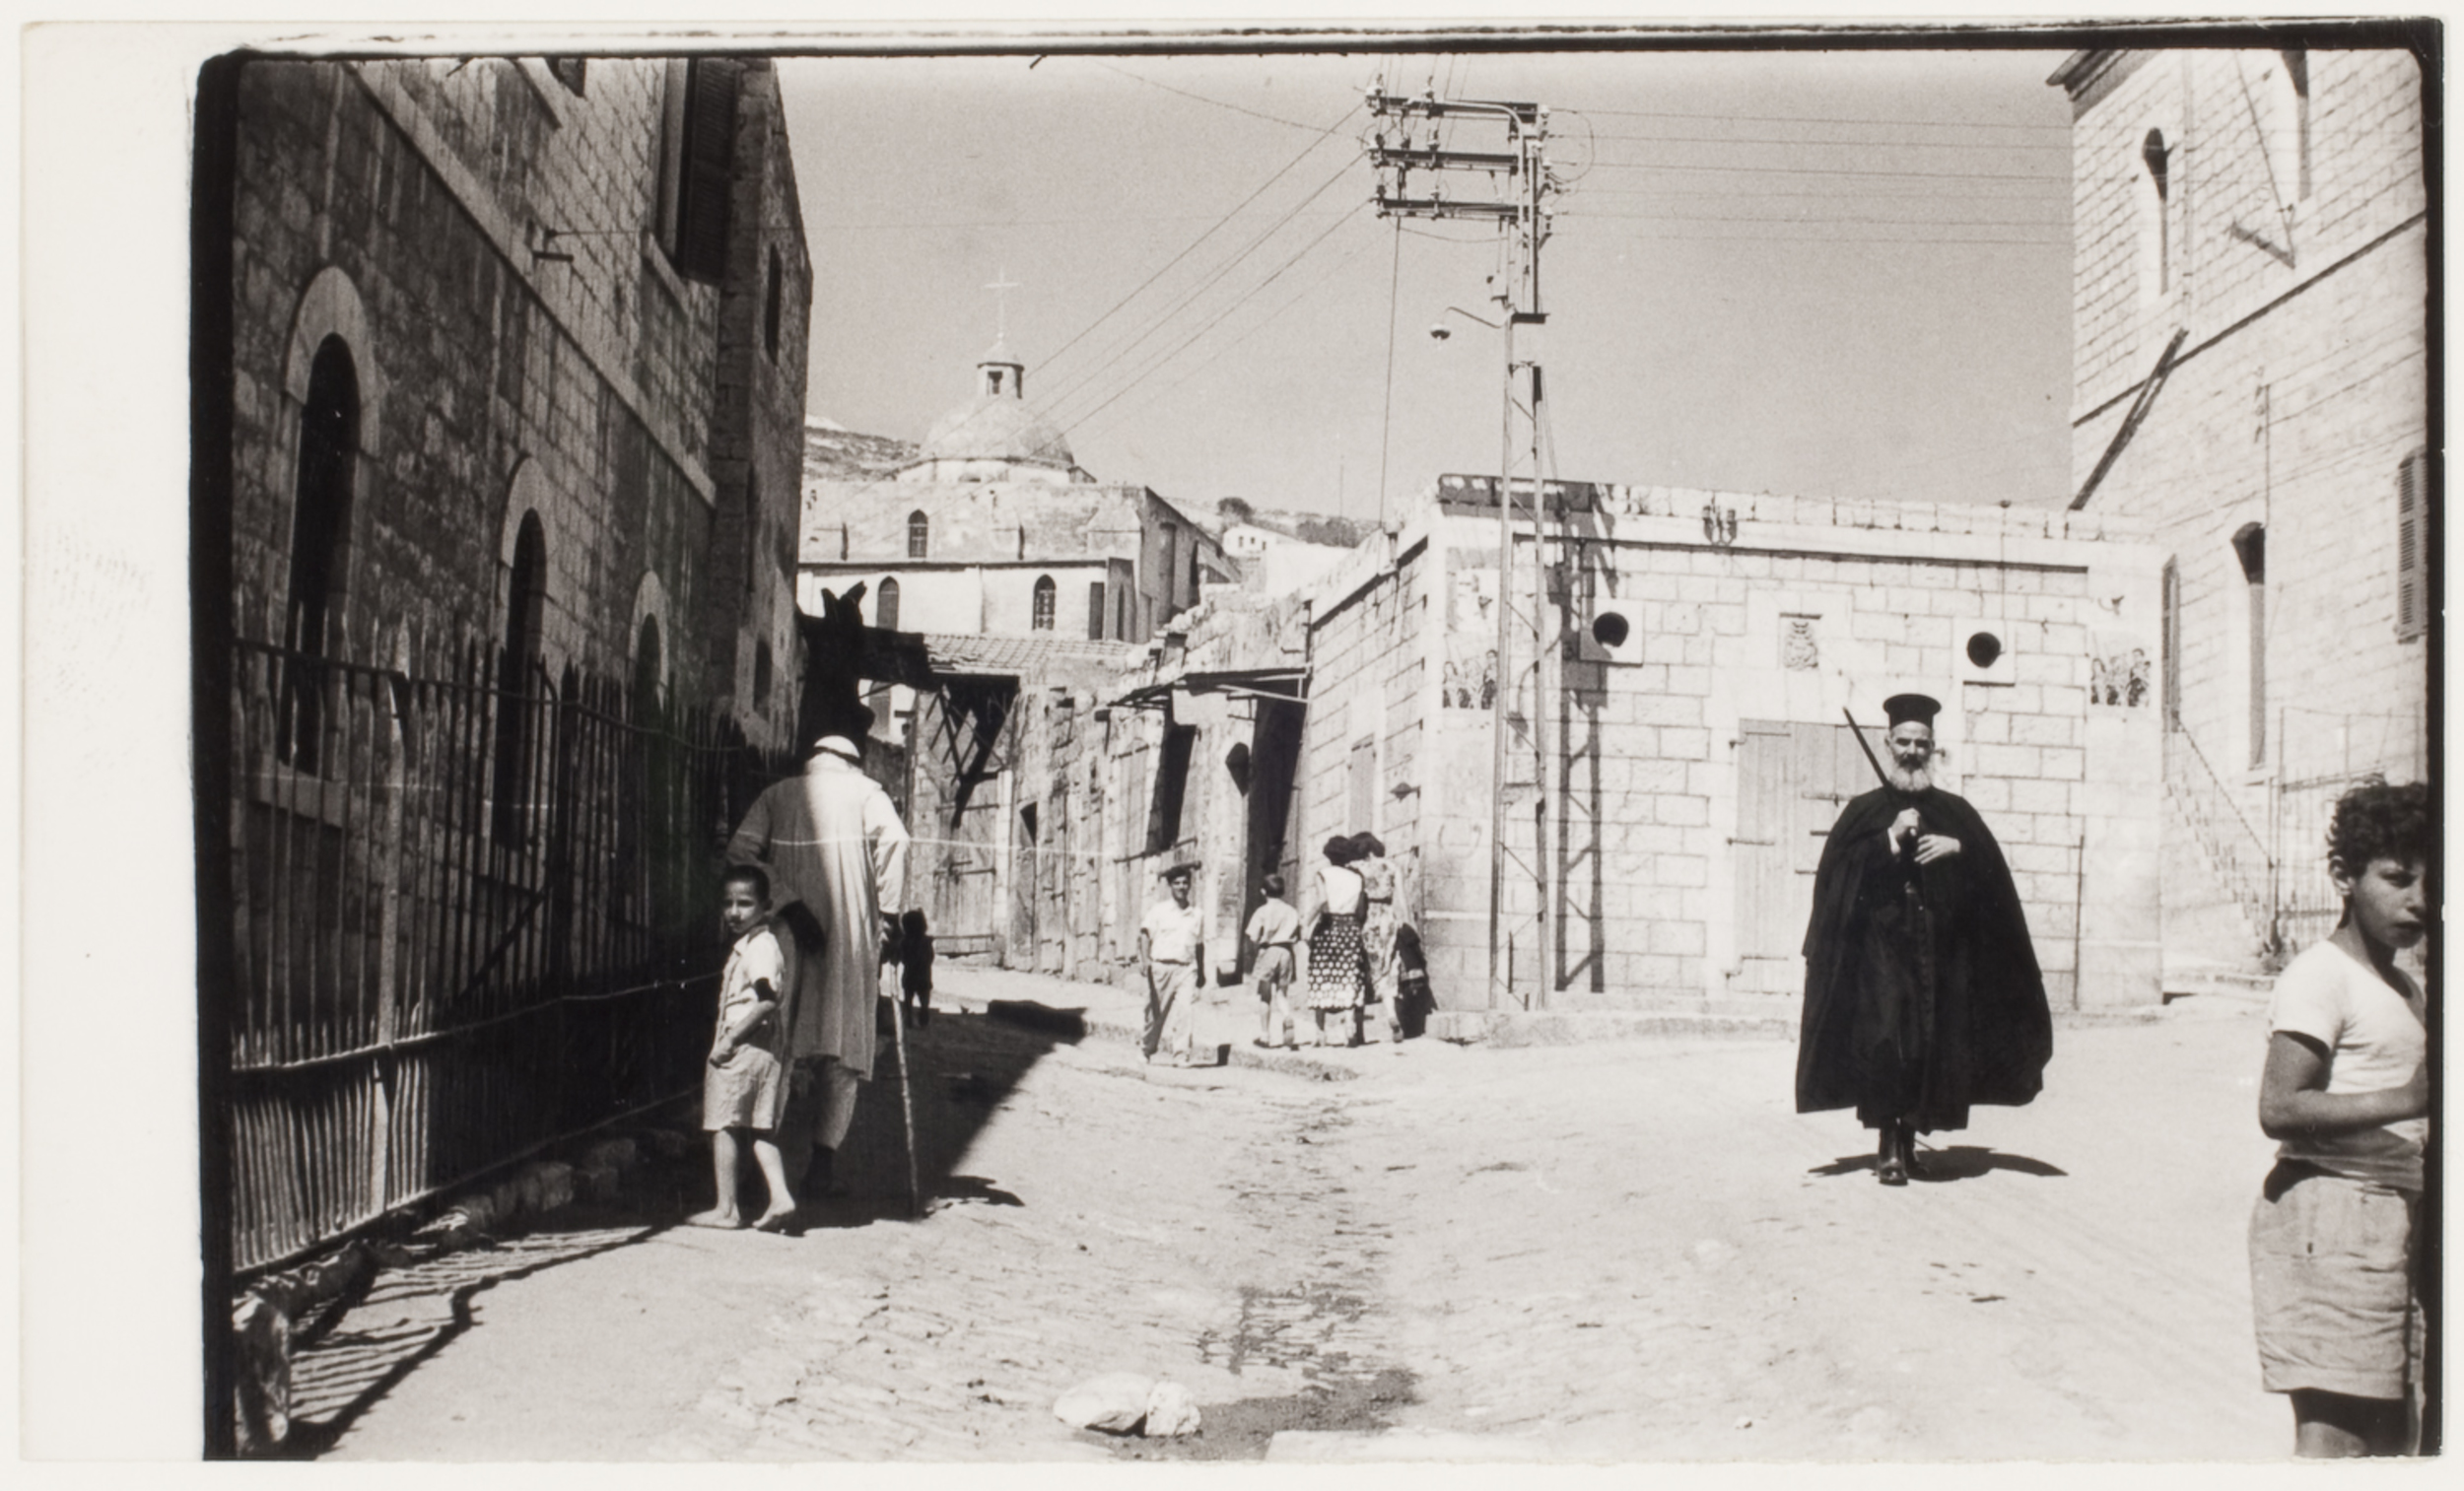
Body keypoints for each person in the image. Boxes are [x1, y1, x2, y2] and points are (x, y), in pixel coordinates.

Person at [1796, 692, 2053, 1186]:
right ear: (1886, 743)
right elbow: (1837, 877)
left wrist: (1960, 848)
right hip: (1881, 954)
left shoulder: (1956, 813)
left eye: (1922, 743)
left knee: (1931, 1045)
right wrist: (1888, 839)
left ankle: (1910, 1144)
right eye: (1904, 742)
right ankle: (1888, 1148)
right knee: (1888, 1041)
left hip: (1940, 954)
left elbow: (1994, 879)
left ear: (1933, 748)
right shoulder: (1865, 811)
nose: (1912, 751)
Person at [2248, 779, 2430, 1457]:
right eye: (2397, 877)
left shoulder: (2404, 984)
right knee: (2337, 1445)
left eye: (2432, 880)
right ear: (2343, 877)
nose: (2418, 898)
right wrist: (2413, 1098)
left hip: (2389, 1222)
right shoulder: (2320, 974)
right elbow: (2280, 1108)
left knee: (2392, 1440)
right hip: (2330, 1218)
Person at [726, 708, 912, 1206]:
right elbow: (896, 840)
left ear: (814, 759)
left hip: (787, 934)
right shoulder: (868, 793)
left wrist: (783, 898)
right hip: (849, 943)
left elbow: (740, 851)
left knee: (777, 1050)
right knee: (843, 1055)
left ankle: (755, 1174)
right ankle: (820, 1168)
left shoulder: (779, 794)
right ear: (854, 757)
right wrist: (889, 915)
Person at [687, 865, 798, 1233]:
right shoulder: (756, 945)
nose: (734, 912)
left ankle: (727, 1209)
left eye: (745, 903)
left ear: (766, 907)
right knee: (760, 1127)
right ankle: (780, 1197)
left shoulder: (760, 948)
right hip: (764, 1050)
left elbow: (767, 1001)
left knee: (725, 1122)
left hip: (746, 1046)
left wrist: (729, 1041)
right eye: (728, 903)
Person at [1302, 836, 1370, 1048]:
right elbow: (1360, 909)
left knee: (1321, 974)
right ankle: (1349, 1026)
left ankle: (1320, 1033)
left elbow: (1322, 900)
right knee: (1349, 974)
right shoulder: (1357, 877)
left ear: (1328, 855)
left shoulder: (1322, 874)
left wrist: (1306, 922)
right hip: (1350, 927)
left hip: (1329, 925)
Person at [1140, 862, 1207, 1067]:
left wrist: (1201, 972)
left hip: (1187, 968)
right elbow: (1144, 934)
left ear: (1189, 886)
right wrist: (1145, 961)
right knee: (1155, 1013)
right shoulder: (1159, 910)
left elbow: (1199, 944)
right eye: (1177, 883)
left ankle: (1181, 1054)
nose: (1181, 887)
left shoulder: (1197, 914)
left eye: (1185, 883)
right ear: (1170, 886)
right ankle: (1146, 1048)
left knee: (1185, 1011)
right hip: (1161, 967)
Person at [1350, 832, 1407, 1048]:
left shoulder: (1357, 869)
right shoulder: (1392, 867)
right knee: (1387, 969)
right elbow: (1401, 898)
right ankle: (1391, 1015)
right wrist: (1403, 921)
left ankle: (1358, 1030)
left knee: (1362, 970)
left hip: (1366, 921)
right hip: (1388, 920)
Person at [1245, 872, 1303, 1050]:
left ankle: (1265, 1035)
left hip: (1269, 950)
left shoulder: (1262, 911)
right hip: (1286, 951)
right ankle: (1287, 1016)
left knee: (1265, 994)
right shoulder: (1291, 911)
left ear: (1263, 892)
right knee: (1282, 993)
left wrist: (1256, 946)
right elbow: (1298, 934)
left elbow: (1253, 935)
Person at [1393, 922, 1433, 1040]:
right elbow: (1420, 955)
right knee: (1413, 999)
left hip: (1402, 973)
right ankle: (1413, 1028)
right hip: (1414, 971)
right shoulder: (1409, 933)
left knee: (1402, 999)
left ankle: (1406, 1028)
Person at [899, 909, 934, 1031]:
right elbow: (930, 958)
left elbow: (902, 958)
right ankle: (924, 1015)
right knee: (924, 998)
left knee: (908, 998)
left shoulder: (905, 942)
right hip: (924, 974)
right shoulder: (926, 942)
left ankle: (909, 1018)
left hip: (909, 974)